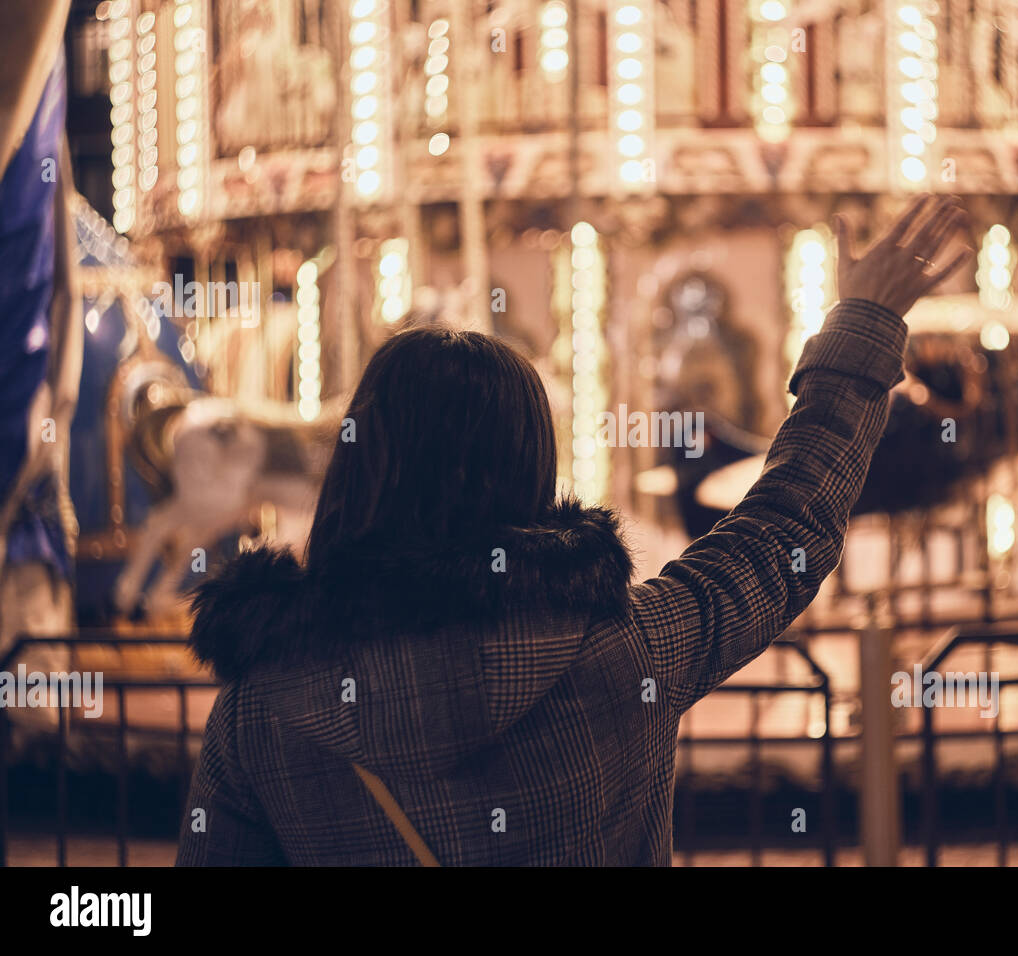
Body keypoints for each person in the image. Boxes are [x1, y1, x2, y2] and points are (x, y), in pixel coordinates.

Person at [176, 195, 970, 865]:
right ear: (530, 467)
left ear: (360, 463)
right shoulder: (628, 649)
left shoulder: (261, 711)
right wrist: (865, 320)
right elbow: (787, 524)